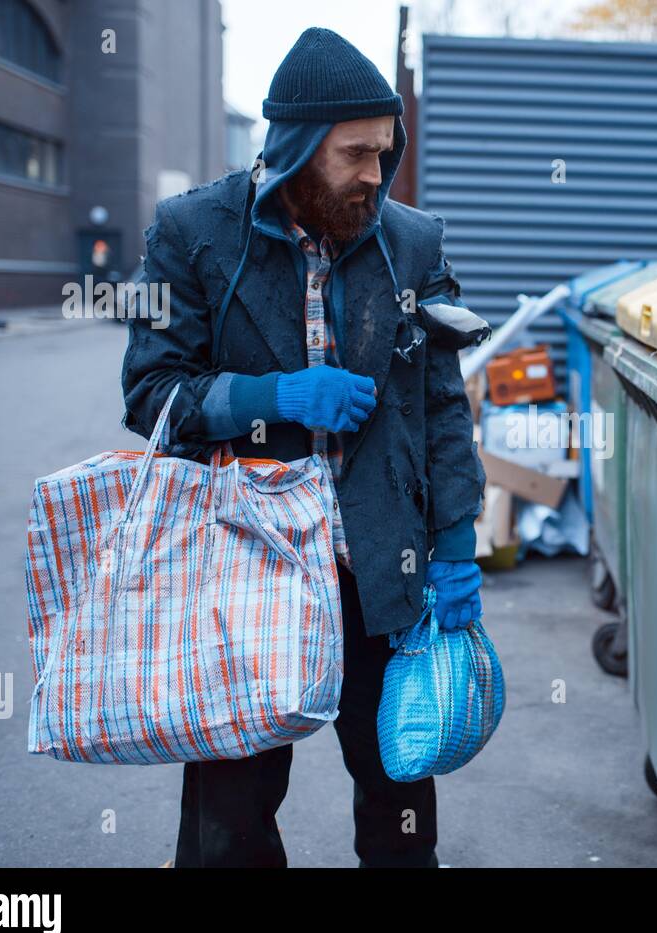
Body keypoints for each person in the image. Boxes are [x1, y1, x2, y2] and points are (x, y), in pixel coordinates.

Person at [120, 27, 488, 868]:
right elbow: (151, 396)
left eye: (384, 152)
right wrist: (272, 395)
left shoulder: (414, 242)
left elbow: (440, 411)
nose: (373, 172)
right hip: (248, 576)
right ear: (293, 147)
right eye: (354, 152)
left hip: (378, 566)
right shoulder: (192, 232)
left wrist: (457, 546)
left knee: (400, 807)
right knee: (229, 824)